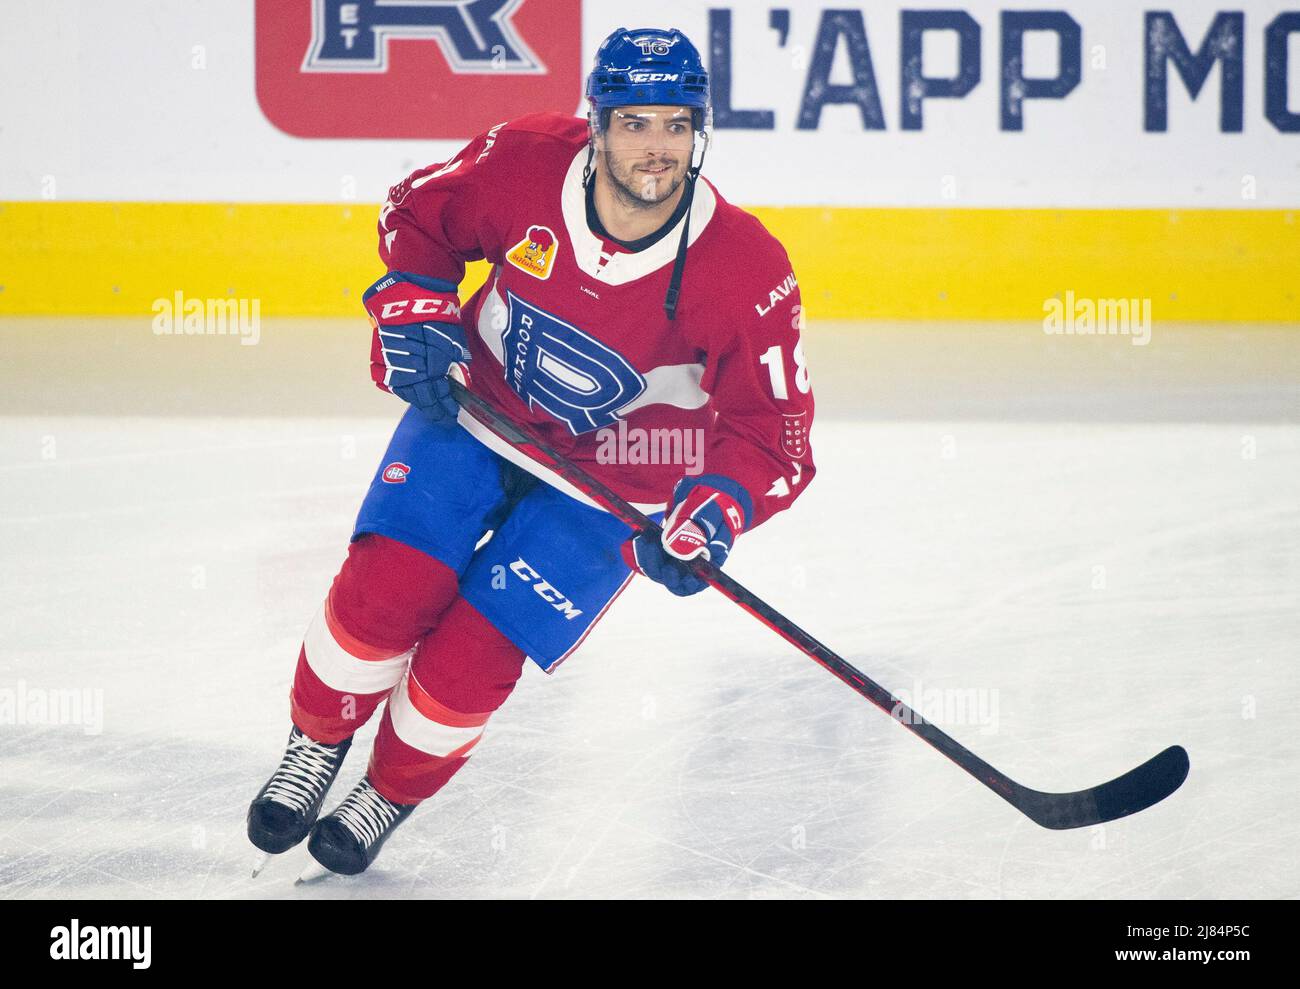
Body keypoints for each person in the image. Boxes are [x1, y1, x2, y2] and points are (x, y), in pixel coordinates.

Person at [247, 25, 816, 878]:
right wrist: (415, 303)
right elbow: (416, 216)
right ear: (597, 124)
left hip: (609, 483)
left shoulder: (743, 268)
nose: (656, 147)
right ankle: (315, 741)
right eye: (634, 122)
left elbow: (774, 434)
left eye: (675, 124)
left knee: (472, 660)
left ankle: (390, 789)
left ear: (699, 131)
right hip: (476, 414)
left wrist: (715, 506)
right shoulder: (520, 161)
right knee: (384, 592)